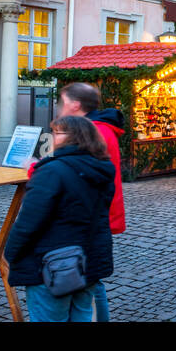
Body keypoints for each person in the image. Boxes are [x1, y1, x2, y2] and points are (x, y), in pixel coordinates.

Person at [4, 115, 114, 322]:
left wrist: (10, 253)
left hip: (54, 264)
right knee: (82, 315)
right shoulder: (101, 167)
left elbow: (28, 223)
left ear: (73, 137)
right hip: (90, 260)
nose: (52, 137)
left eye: (57, 132)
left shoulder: (52, 171)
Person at [55, 83, 125, 322]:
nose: (59, 107)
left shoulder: (93, 131)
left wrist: (37, 170)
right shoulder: (97, 128)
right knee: (90, 278)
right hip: (96, 212)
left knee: (91, 279)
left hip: (91, 214)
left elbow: (78, 171)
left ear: (75, 105)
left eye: (62, 102)